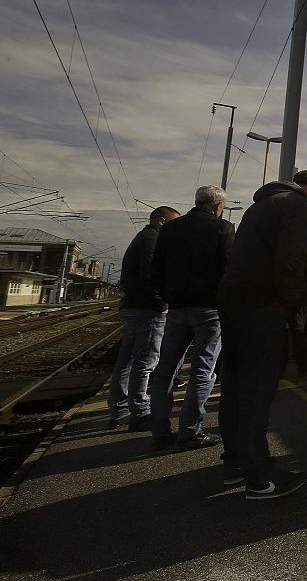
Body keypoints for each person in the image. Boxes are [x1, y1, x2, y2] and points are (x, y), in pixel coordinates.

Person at [216, 169, 307, 500]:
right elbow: (291, 261)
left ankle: (236, 463)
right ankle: (260, 477)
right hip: (263, 306)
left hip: (235, 302)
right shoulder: (298, 207)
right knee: (257, 388)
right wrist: (295, 303)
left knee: (236, 384)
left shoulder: (261, 206)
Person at [148, 185, 234, 451]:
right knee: (203, 369)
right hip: (210, 309)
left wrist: (167, 296)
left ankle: (160, 431)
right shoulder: (223, 228)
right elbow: (230, 267)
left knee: (165, 370)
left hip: (176, 308)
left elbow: (156, 267)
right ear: (218, 206)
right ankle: (190, 431)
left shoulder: (170, 229)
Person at [107, 206, 179, 430]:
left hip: (134, 307)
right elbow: (151, 275)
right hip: (147, 309)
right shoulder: (152, 239)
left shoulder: (143, 237)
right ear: (161, 220)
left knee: (127, 361)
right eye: (173, 223)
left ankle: (119, 409)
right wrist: (162, 303)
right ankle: (139, 411)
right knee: (146, 361)